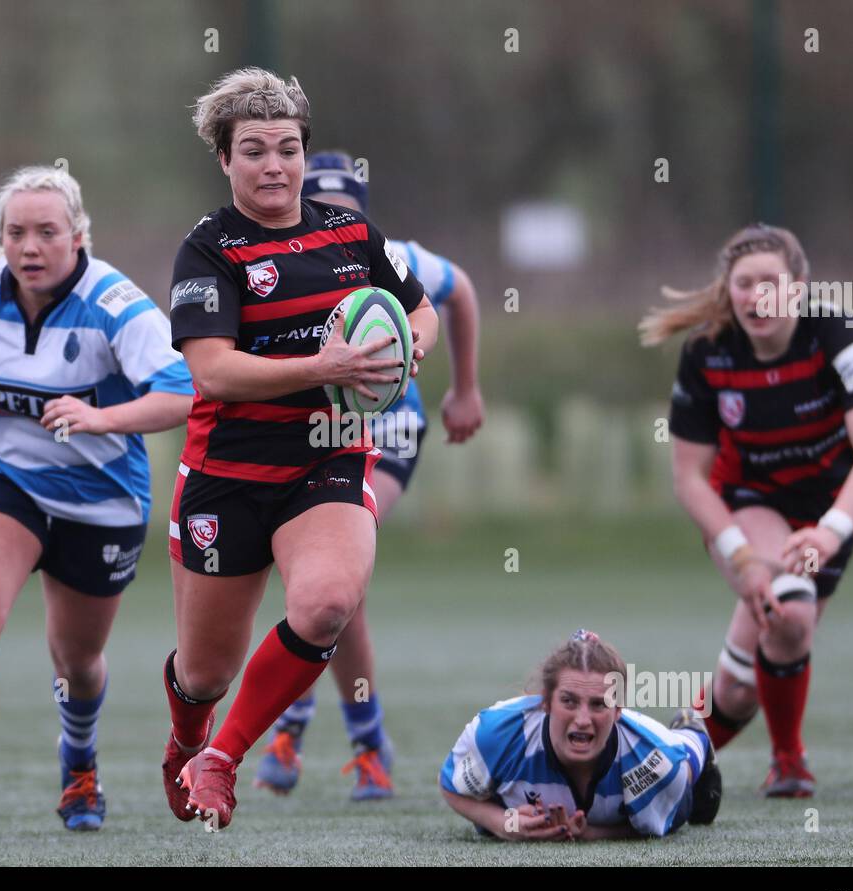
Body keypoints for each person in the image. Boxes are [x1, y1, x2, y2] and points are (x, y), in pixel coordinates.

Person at [162, 68, 439, 830]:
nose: (274, 165)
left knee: (325, 606)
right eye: (253, 150)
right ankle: (188, 737)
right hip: (227, 476)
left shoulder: (353, 236)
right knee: (205, 671)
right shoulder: (208, 251)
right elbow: (214, 370)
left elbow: (422, 313)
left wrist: (406, 348)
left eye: (287, 148)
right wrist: (325, 367)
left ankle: (221, 758)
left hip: (327, 458)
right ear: (225, 160)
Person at [0, 165, 194, 842]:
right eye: (15, 233)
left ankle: (80, 762)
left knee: (77, 661)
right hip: (5, 476)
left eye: (46, 232)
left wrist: (103, 421)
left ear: (79, 236)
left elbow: (184, 393)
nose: (29, 246)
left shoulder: (116, 306)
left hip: (102, 500)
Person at [254, 150, 485, 800]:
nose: (332, 219)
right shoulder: (275, 265)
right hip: (306, 437)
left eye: (346, 210)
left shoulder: (392, 257)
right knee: (327, 588)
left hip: (385, 432)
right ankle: (364, 742)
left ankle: (322, 730)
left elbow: (459, 291)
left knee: (335, 580)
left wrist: (463, 387)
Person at [640, 223, 853, 797]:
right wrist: (744, 558)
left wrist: (829, 533)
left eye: (771, 284)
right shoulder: (708, 352)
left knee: (737, 690)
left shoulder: (838, 333)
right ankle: (789, 762)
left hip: (829, 514)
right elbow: (689, 479)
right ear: (727, 290)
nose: (758, 298)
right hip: (744, 506)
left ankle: (648, 761)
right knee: (791, 613)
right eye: (744, 284)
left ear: (799, 288)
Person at [440, 630, 722, 840]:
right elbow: (451, 787)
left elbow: (649, 831)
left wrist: (592, 833)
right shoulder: (495, 734)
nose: (583, 719)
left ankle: (691, 732)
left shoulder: (657, 763)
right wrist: (502, 823)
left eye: (599, 704)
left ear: (618, 710)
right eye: (569, 701)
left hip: (668, 760)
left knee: (691, 788)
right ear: (546, 702)